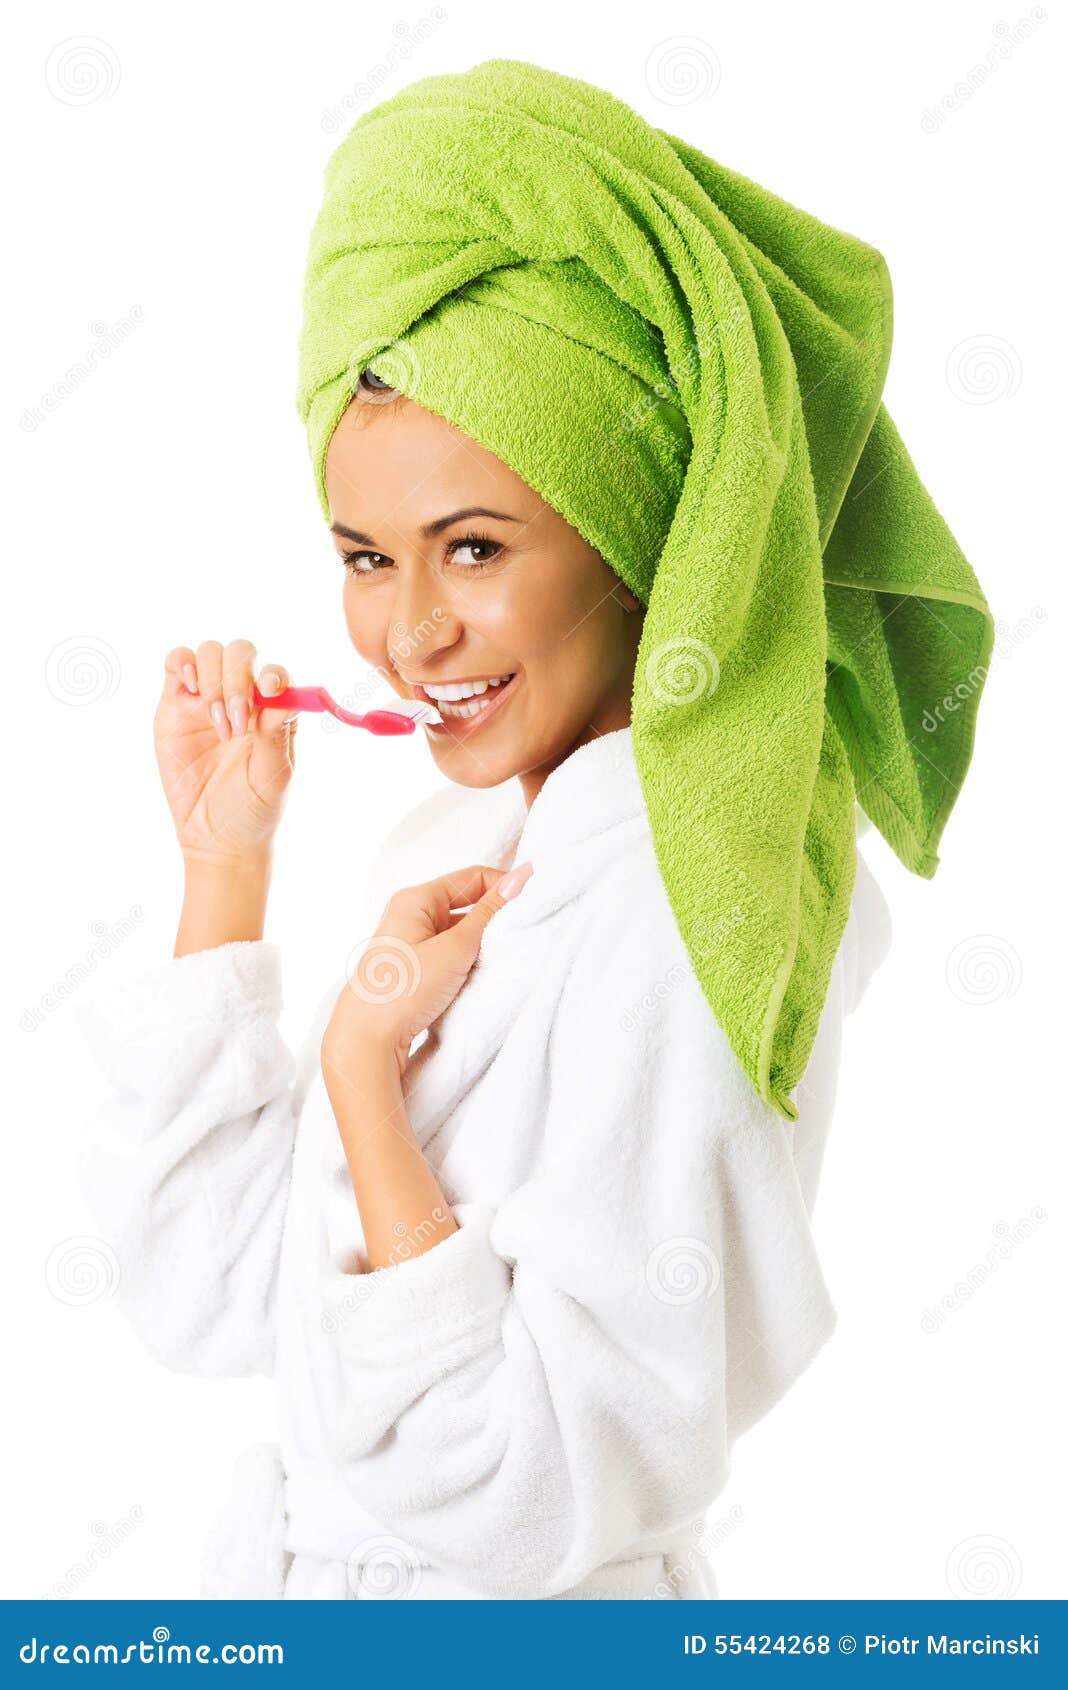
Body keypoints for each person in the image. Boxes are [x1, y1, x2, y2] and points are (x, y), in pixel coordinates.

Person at [75, 58, 990, 1602]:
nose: (410, 632)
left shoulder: (688, 893)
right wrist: (225, 871)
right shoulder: (471, 851)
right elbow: (226, 1306)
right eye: (366, 556)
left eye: (477, 547)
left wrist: (368, 1074)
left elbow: (529, 1485)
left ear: (636, 528)